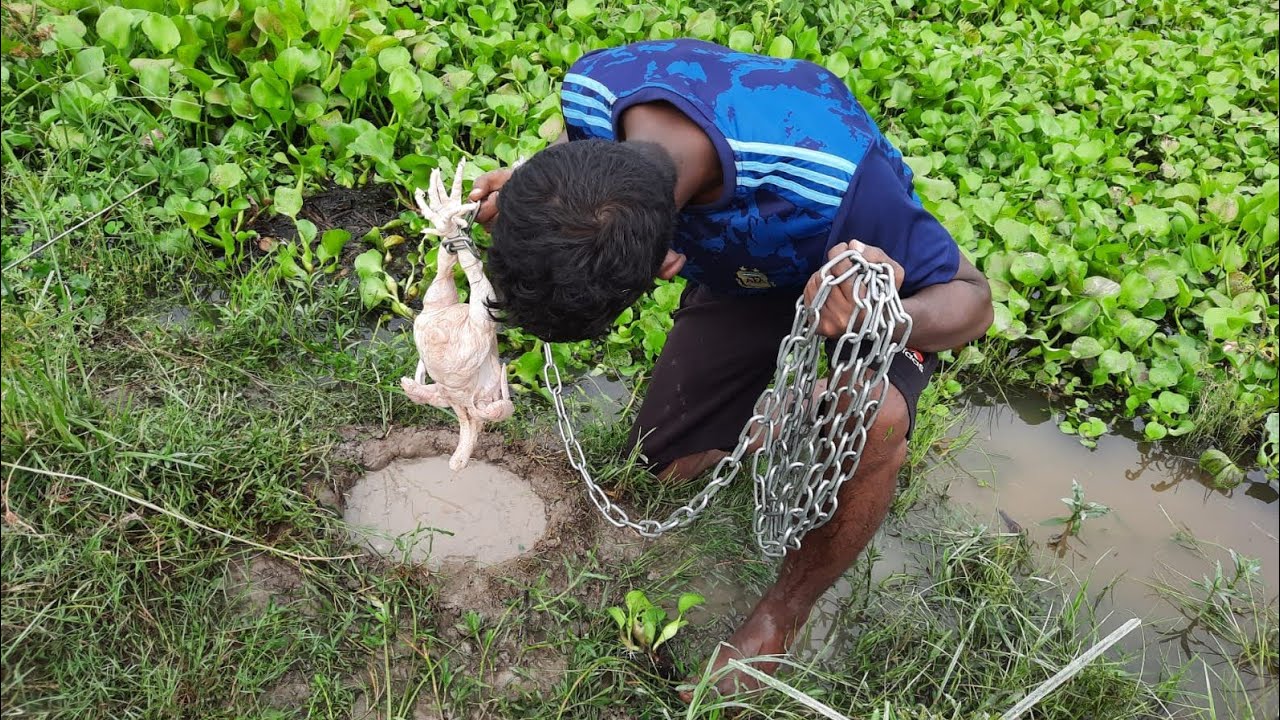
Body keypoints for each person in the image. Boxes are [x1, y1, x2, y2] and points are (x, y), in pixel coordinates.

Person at [465, 38, 994, 697]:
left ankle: (781, 615)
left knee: (871, 415)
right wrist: (532, 198)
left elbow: (974, 301)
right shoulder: (592, 91)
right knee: (662, 466)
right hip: (740, 268)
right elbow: (588, 192)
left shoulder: (834, 176)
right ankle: (772, 426)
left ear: (665, 261)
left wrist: (878, 315)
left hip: (846, 266)